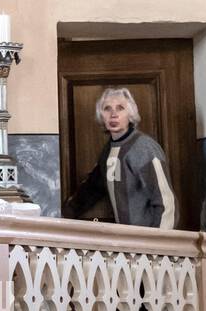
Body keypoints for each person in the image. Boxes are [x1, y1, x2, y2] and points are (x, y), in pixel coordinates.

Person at [64, 87, 177, 228]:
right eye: (107, 109)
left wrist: (160, 245)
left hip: (147, 239)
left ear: (130, 114)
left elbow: (166, 202)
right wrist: (63, 215)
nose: (113, 114)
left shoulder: (144, 148)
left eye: (120, 108)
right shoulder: (108, 151)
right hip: (124, 237)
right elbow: (92, 188)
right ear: (101, 115)